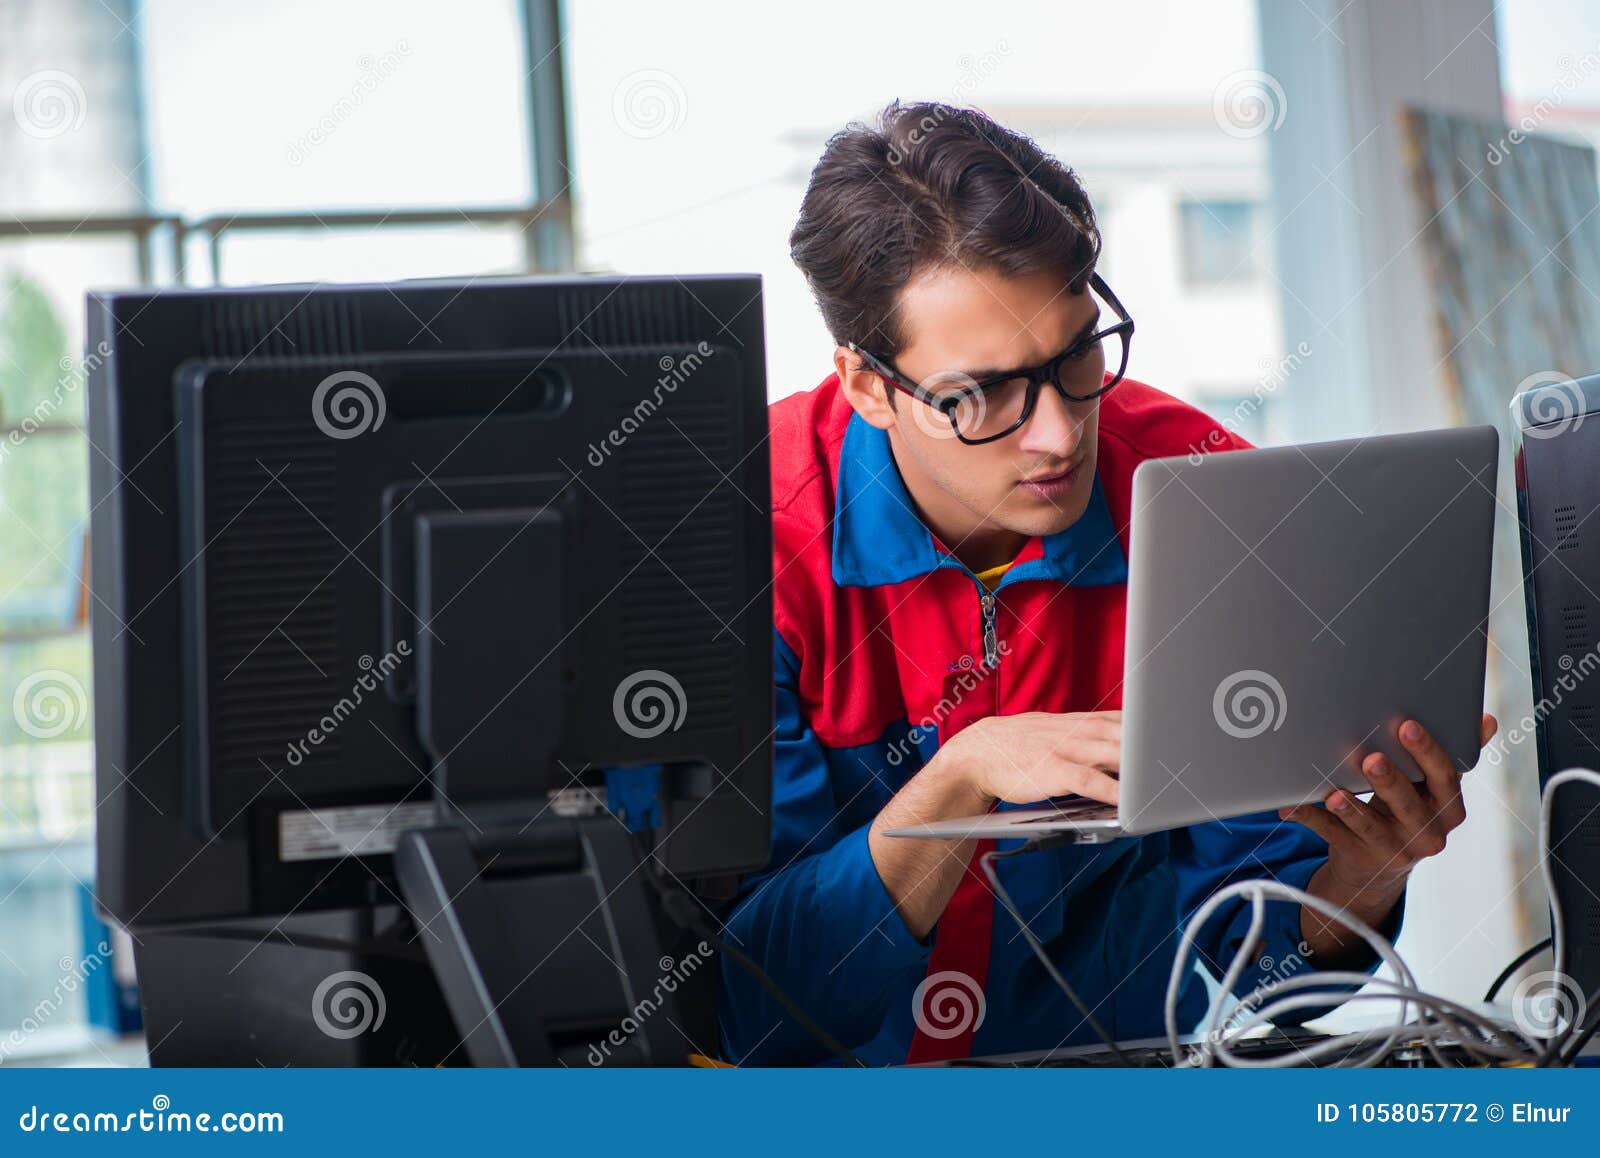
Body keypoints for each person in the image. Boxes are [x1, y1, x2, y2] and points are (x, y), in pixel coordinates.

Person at [716, 101, 1497, 1066]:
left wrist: (1364, 878)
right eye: (984, 391)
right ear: (868, 384)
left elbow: (1264, 978)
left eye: (1077, 351)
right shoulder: (743, 546)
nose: (1059, 434)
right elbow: (744, 1000)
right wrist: (957, 776)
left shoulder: (1211, 497)